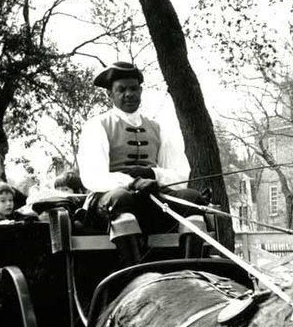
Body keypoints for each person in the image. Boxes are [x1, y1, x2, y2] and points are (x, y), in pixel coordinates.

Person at [75, 61, 203, 262]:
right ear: (110, 94)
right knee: (121, 198)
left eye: (133, 89)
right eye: (121, 89)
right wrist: (131, 182)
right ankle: (135, 272)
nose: (129, 94)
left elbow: (179, 174)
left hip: (151, 199)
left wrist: (153, 175)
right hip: (109, 202)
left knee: (193, 199)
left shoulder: (158, 128)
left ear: (141, 91)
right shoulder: (96, 126)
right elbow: (93, 177)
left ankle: (190, 267)